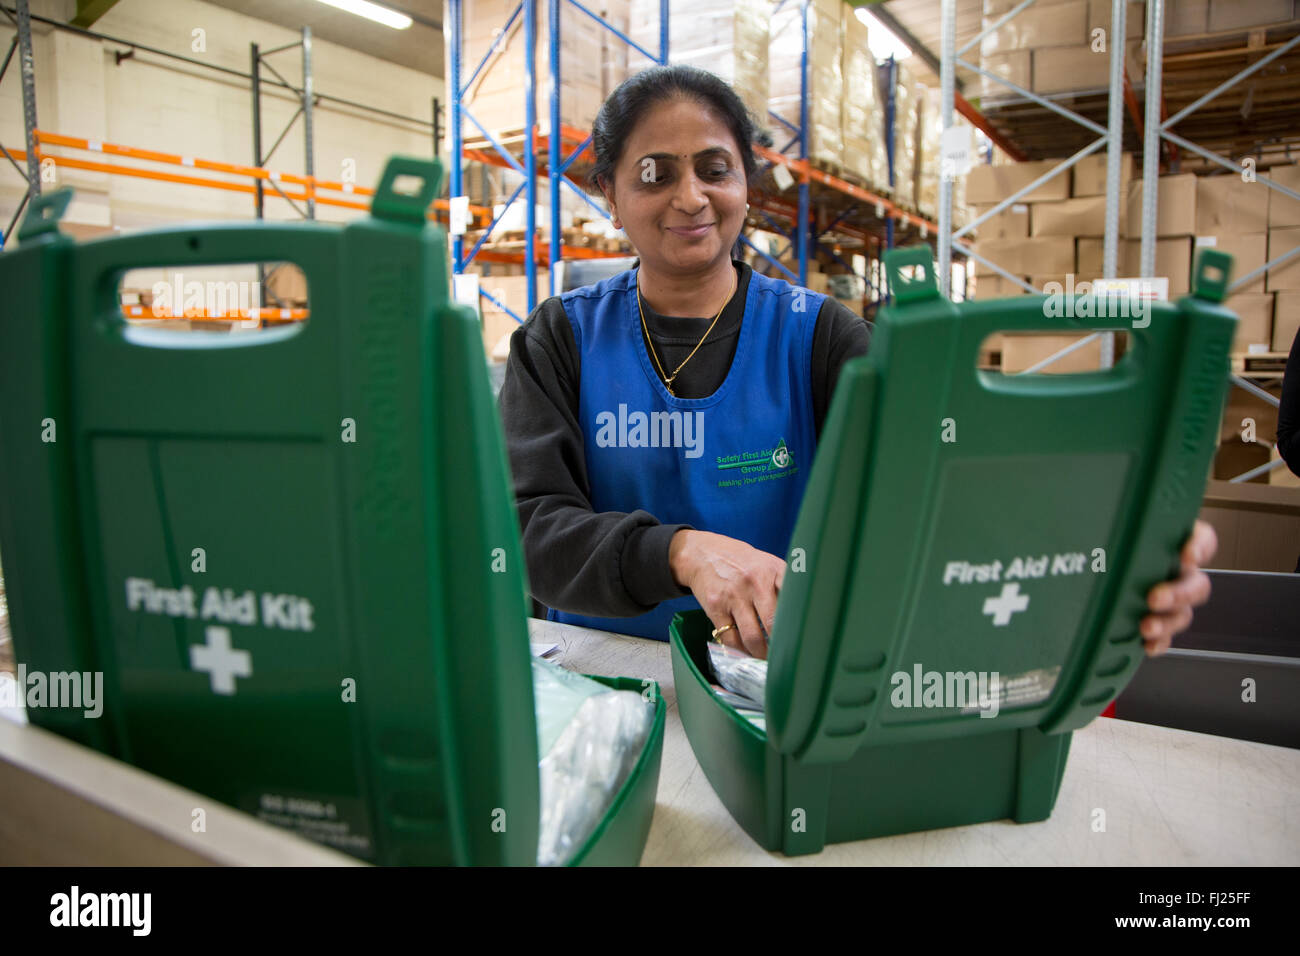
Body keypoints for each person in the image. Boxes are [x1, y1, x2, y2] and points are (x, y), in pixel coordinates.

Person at [497, 64, 1213, 660]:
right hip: (615, 681)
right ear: (612, 198)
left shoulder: (820, 336)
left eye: (715, 169)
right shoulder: (560, 340)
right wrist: (676, 552)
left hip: (769, 680)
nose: (691, 196)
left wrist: (1100, 546)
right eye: (655, 174)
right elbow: (527, 525)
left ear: (746, 184)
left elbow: (941, 474)